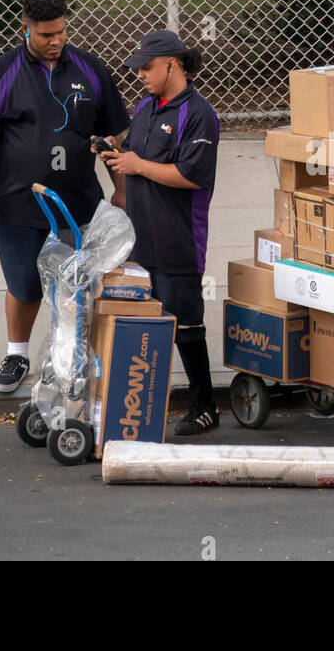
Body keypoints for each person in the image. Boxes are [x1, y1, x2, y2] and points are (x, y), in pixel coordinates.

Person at [0, 0, 131, 393]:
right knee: (24, 285)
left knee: (76, 286)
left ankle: (70, 360)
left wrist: (121, 189)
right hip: (18, 206)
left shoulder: (90, 70)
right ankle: (17, 355)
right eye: (45, 35)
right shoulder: (0, 73)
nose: (55, 41)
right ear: (25, 30)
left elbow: (113, 133)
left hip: (78, 206)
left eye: (61, 32)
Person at [102, 30, 221, 435]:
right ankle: (140, 402)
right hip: (140, 238)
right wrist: (113, 155)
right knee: (144, 322)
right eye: (137, 68)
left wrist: (136, 165)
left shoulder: (199, 113)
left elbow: (191, 175)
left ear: (172, 63)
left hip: (178, 239)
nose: (139, 75)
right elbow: (134, 158)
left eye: (146, 67)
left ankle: (205, 405)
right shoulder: (146, 107)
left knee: (185, 324)